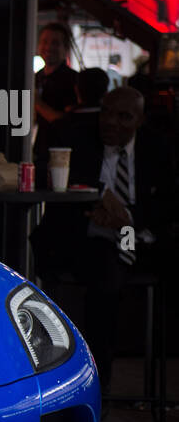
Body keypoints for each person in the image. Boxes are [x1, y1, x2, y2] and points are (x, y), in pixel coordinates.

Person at [29, 87, 175, 391]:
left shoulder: (158, 147)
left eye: (124, 117)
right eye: (106, 112)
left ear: (140, 120)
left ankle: (161, 393)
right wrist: (100, 195)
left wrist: (128, 215)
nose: (111, 122)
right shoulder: (77, 137)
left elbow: (169, 201)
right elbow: (52, 172)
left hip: (137, 235)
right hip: (93, 234)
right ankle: (98, 384)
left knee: (130, 259)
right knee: (107, 272)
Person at [34, 22, 78, 126]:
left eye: (55, 43)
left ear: (66, 48)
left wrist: (37, 103)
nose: (48, 47)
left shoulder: (74, 80)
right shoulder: (35, 78)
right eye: (44, 42)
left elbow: (68, 122)